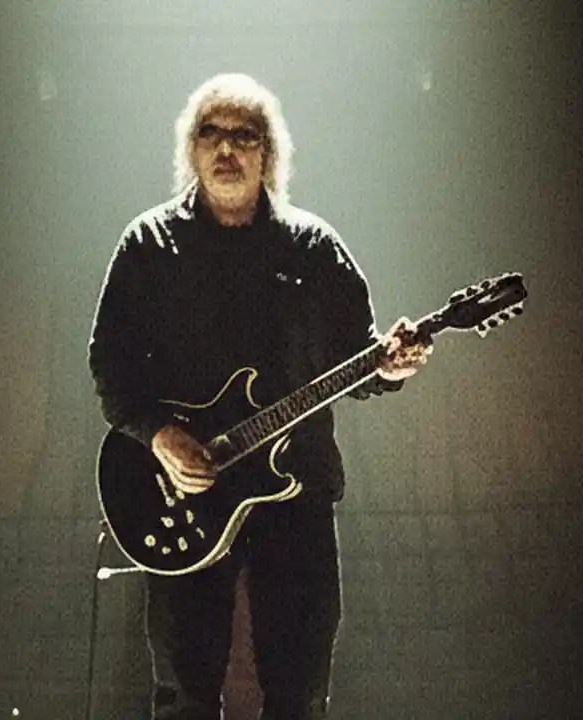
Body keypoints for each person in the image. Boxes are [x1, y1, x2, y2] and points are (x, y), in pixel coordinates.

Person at [88, 73, 430, 720]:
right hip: (183, 493)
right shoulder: (148, 246)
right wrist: (161, 438)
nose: (226, 150)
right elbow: (110, 362)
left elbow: (358, 361)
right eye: (210, 134)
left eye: (244, 136)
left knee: (298, 693)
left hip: (294, 493)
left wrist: (390, 366)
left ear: (268, 153)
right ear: (191, 149)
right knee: (185, 694)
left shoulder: (315, 247)